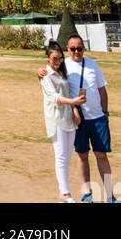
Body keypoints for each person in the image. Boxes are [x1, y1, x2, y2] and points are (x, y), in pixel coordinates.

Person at [39, 34, 114, 203]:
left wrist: (105, 112)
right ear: (68, 49)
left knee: (102, 155)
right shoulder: (63, 65)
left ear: (83, 48)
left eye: (79, 48)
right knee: (82, 155)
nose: (76, 52)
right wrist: (40, 71)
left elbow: (102, 89)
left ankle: (110, 195)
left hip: (97, 118)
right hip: (78, 120)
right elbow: (49, 72)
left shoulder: (92, 64)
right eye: (73, 49)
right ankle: (87, 193)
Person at [40, 41, 85, 204]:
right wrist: (73, 101)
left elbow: (65, 92)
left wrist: (74, 110)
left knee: (66, 156)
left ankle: (62, 191)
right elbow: (55, 98)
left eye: (60, 59)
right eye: (54, 59)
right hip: (56, 119)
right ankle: (65, 193)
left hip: (68, 119)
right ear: (47, 58)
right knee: (60, 156)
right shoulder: (46, 76)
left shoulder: (61, 73)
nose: (57, 62)